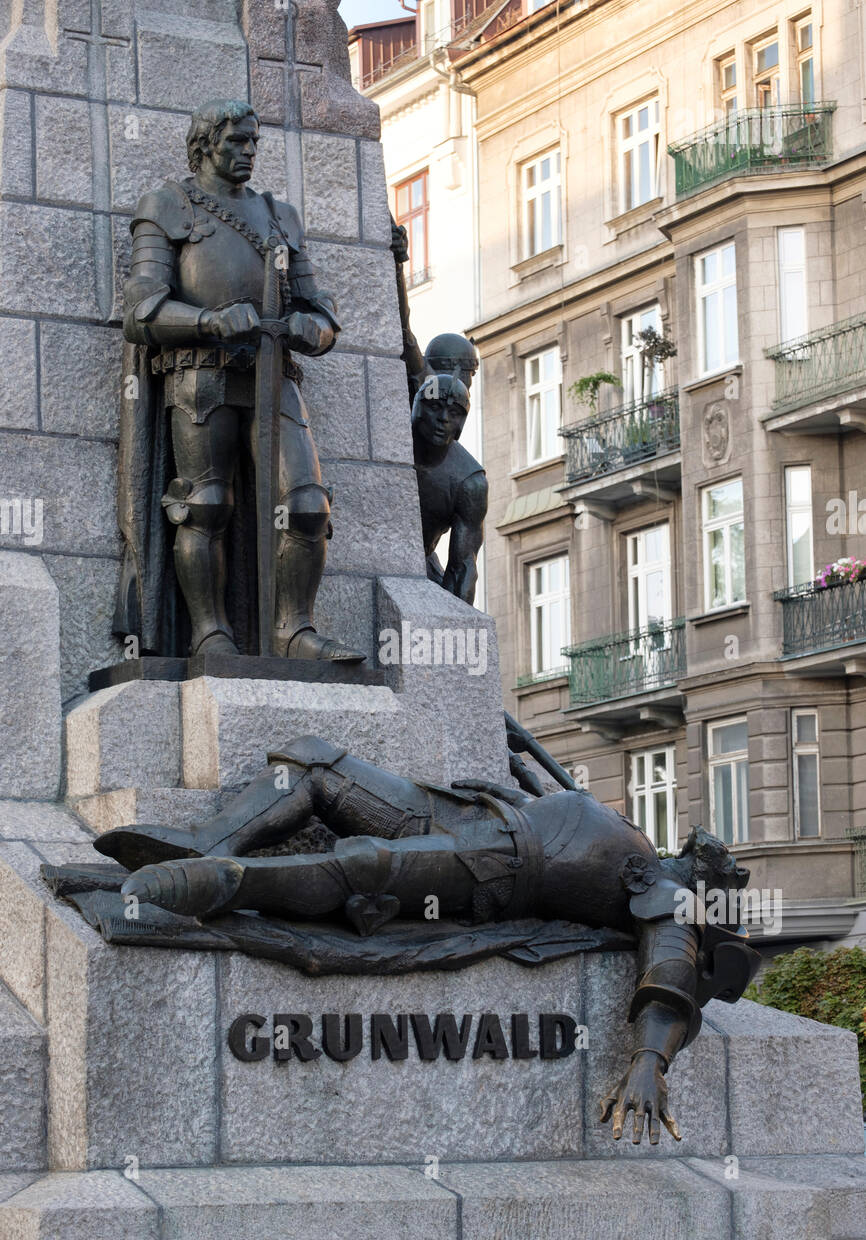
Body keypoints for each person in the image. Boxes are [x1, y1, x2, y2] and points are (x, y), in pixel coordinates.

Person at [97, 734, 759, 1146]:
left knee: (366, 865)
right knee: (314, 762)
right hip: (460, 810)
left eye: (717, 861)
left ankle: (220, 883)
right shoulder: (637, 839)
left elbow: (669, 975)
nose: (709, 845)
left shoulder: (666, 894)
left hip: (499, 863)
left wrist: (650, 1061)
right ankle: (208, 841)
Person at [114, 97, 363, 662]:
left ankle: (294, 631)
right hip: (198, 376)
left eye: (254, 141)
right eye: (236, 141)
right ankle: (210, 633)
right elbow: (139, 310)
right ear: (205, 144)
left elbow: (323, 312)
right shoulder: (167, 206)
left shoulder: (279, 215)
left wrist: (310, 327)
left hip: (275, 376)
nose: (249, 151)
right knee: (203, 505)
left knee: (306, 505)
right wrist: (208, 319)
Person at [411, 373, 487, 605]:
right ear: (418, 409)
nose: (443, 418)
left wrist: (455, 626)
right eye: (435, 407)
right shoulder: (386, 439)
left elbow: (462, 569)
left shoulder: (470, 482)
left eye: (454, 413)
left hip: (418, 562)